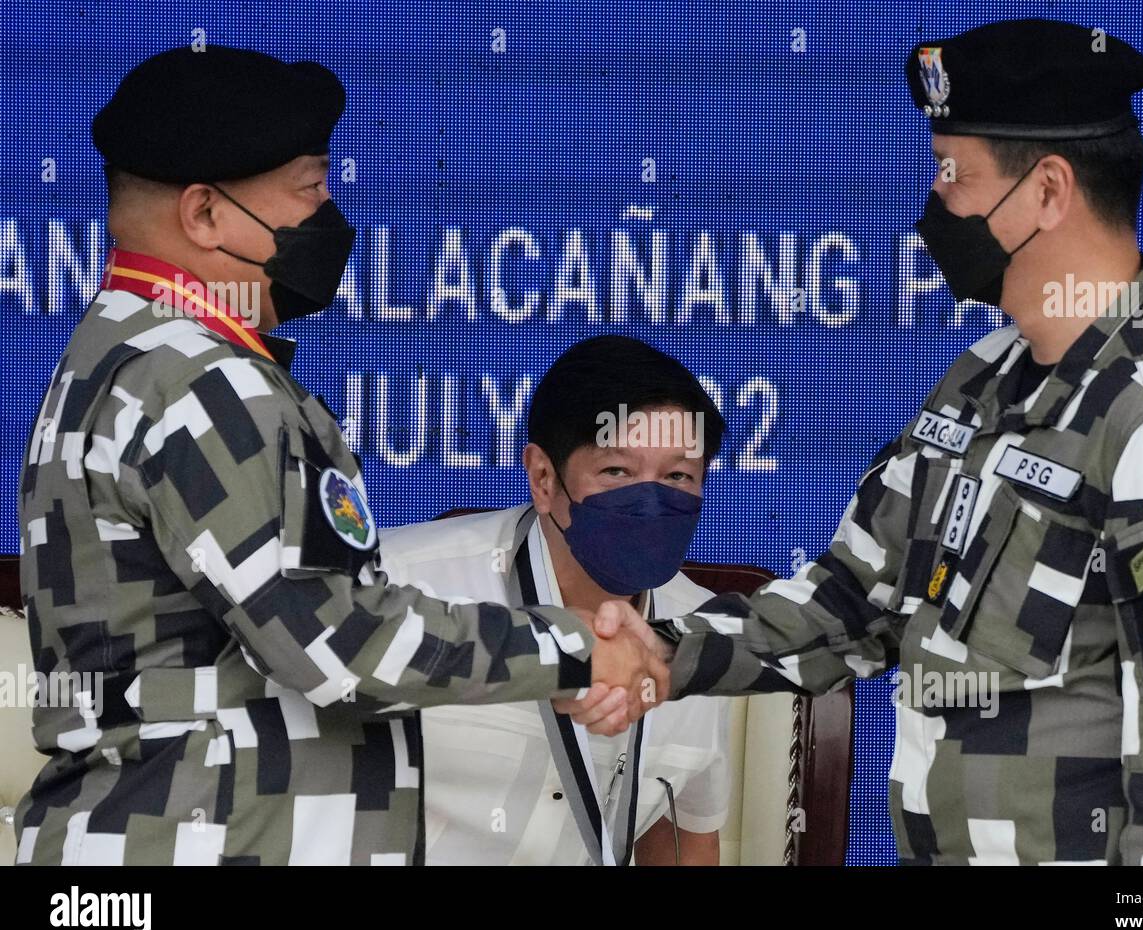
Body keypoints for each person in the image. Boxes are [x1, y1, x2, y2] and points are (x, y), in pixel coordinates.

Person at [564, 18, 1143, 865]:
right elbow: (853, 605)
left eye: (955, 173)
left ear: (1049, 190)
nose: (936, 203)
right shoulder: (979, 379)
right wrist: (670, 653)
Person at [14, 45, 663, 866]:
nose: (327, 215)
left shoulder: (115, 351)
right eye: (309, 189)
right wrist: (574, 648)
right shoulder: (205, 383)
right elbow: (335, 646)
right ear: (206, 215)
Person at [380, 336, 731, 865]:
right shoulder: (396, 587)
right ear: (544, 478)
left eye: (678, 476)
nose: (651, 500)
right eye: (618, 472)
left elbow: (683, 838)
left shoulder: (704, 630)